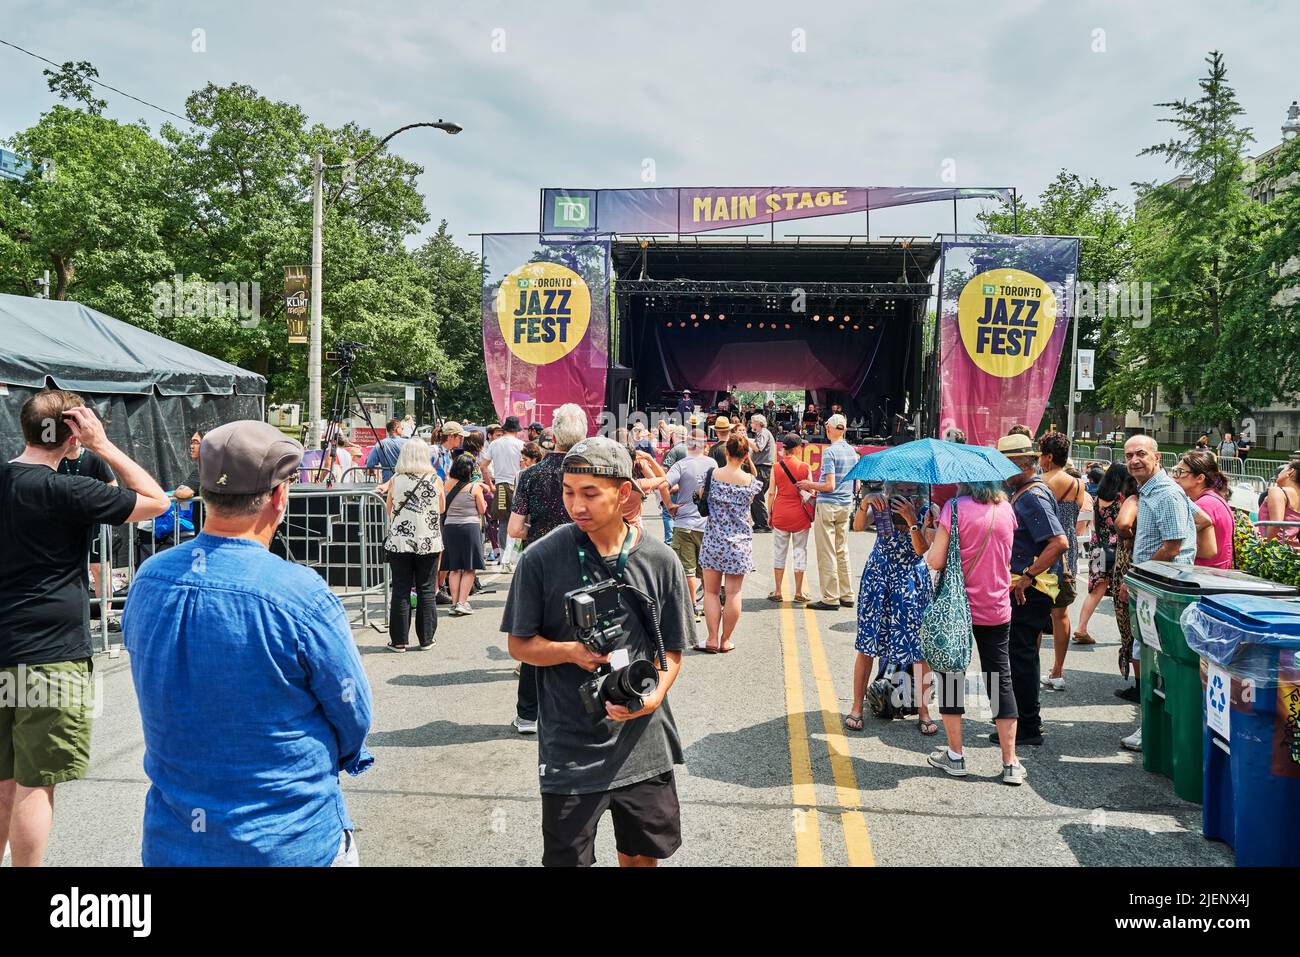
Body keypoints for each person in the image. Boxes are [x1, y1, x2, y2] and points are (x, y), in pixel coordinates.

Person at [122, 421, 372, 866]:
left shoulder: (148, 578)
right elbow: (352, 711)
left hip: (174, 841)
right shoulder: (299, 592)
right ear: (279, 497)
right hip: (288, 840)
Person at [501, 436, 690, 867]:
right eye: (569, 492)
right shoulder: (541, 558)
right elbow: (519, 643)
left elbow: (674, 649)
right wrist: (570, 651)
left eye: (590, 493)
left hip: (643, 743)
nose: (576, 505)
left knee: (642, 857)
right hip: (570, 749)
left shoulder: (660, 560)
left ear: (623, 493)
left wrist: (655, 694)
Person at [1, 393, 169, 866]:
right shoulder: (64, 490)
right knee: (36, 783)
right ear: (73, 430)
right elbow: (157, 502)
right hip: (51, 654)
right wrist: (104, 445)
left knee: (3, 785)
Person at [923, 480, 1023, 784]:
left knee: (952, 678)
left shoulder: (953, 509)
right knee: (1001, 679)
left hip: (958, 609)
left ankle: (955, 756)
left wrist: (931, 533)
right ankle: (1010, 763)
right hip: (996, 606)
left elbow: (935, 560)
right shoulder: (1007, 509)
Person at [507, 403, 587, 735]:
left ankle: (528, 715)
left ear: (552, 433)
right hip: (585, 562)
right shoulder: (591, 473)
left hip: (538, 563)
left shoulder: (530, 475)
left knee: (532, 638)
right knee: (586, 635)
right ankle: (582, 710)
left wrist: (537, 532)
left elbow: (513, 529)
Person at [1118, 434, 1199, 752]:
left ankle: (1158, 731)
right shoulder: (1153, 491)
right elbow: (1200, 521)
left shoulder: (1166, 493)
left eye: (1140, 454)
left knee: (1158, 660)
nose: (1134, 460)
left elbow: (1173, 545)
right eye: (1129, 455)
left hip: (1165, 592)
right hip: (1154, 589)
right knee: (1148, 656)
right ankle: (1154, 728)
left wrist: (1135, 576)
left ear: (1157, 457)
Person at [844, 481, 936, 733]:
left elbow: (921, 550)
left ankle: (924, 711)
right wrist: (864, 504)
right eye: (899, 491)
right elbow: (858, 526)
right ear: (891, 489)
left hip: (910, 581)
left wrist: (911, 521)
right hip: (879, 578)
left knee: (918, 649)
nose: (904, 496)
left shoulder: (928, 510)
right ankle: (856, 707)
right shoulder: (881, 505)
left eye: (910, 491)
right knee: (867, 644)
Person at [996, 433, 1068, 748]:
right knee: (1018, 655)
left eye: (1004, 464)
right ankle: (1020, 719)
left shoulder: (1032, 496)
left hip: (1029, 589)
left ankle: (1026, 725)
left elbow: (1058, 542)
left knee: (1020, 656)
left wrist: (1028, 575)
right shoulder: (1024, 491)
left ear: (1021, 463)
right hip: (1023, 586)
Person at [695, 433, 761, 653]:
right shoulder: (751, 481)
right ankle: (725, 640)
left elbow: (703, 496)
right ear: (745, 454)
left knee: (711, 592)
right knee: (733, 593)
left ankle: (711, 639)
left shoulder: (713, 475)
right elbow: (750, 502)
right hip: (739, 544)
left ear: (726, 451)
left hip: (713, 540)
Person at [1038, 431, 1090, 691]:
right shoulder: (1078, 485)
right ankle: (1058, 671)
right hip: (1067, 554)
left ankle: (1031, 666)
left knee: (1035, 613)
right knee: (1061, 613)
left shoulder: (1038, 483)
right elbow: (1078, 517)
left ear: (1047, 456)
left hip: (1041, 551)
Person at [383, 438, 445, 652]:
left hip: (400, 541)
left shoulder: (395, 480)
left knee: (400, 589)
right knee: (426, 589)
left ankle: (399, 641)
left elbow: (390, 509)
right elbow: (441, 507)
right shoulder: (434, 479)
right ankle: (426, 639)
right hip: (428, 540)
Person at [799, 414, 860, 610]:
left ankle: (830, 597)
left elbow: (829, 485)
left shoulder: (830, 453)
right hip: (845, 504)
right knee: (842, 550)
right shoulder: (853, 452)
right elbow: (856, 485)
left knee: (827, 552)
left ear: (830, 429)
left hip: (829, 505)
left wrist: (809, 484)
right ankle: (847, 593)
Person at [59, 438, 120, 629]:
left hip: (95, 523)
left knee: (100, 568)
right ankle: (75, 617)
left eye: (75, 436)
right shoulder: (56, 460)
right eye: (68, 436)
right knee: (69, 568)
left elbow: (113, 486)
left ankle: (107, 616)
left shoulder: (94, 459)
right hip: (67, 524)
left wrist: (94, 500)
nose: (72, 440)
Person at [1073, 463, 1133, 645]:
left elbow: (1093, 522)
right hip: (1118, 550)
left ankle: (1081, 628)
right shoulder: (1122, 499)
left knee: (1095, 591)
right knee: (1122, 593)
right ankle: (1128, 635)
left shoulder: (1099, 497)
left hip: (1098, 548)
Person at [663, 429, 715, 621]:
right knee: (706, 569)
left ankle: (692, 607)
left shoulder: (681, 464)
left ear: (689, 445)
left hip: (684, 522)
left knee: (688, 570)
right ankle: (711, 604)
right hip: (706, 524)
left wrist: (669, 505)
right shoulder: (712, 464)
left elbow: (663, 485)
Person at [766, 433, 813, 603]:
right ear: (796, 448)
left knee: (780, 552)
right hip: (800, 515)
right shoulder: (805, 467)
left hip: (781, 512)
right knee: (800, 552)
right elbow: (811, 492)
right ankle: (799, 592)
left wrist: (770, 513)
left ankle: (778, 591)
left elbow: (771, 492)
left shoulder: (776, 467)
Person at [442, 453, 487, 616]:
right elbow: (482, 510)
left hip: (450, 528)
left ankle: (454, 603)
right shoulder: (474, 487)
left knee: (454, 568)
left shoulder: (445, 485)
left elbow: (441, 507)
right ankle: (462, 602)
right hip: (470, 527)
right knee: (469, 567)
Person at [1173, 450, 1234, 570]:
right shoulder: (1214, 498)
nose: (1175, 476)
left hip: (1204, 576)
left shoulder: (1203, 505)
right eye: (1175, 470)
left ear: (1200, 478)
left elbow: (1207, 551)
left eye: (1181, 472)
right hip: (1215, 575)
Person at [1259, 456, 1300, 544]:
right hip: (1291, 549)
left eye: (1282, 470)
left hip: (1274, 550)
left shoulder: (1277, 491)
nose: (1278, 474)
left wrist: (1263, 546)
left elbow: (1276, 524)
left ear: (1290, 471)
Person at [749, 414, 775, 532]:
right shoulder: (761, 433)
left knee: (757, 497)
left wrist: (745, 439)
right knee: (755, 496)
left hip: (763, 468)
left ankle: (764, 524)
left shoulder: (763, 433)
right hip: (762, 468)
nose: (751, 424)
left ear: (758, 423)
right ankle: (759, 523)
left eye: (752, 422)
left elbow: (758, 447)